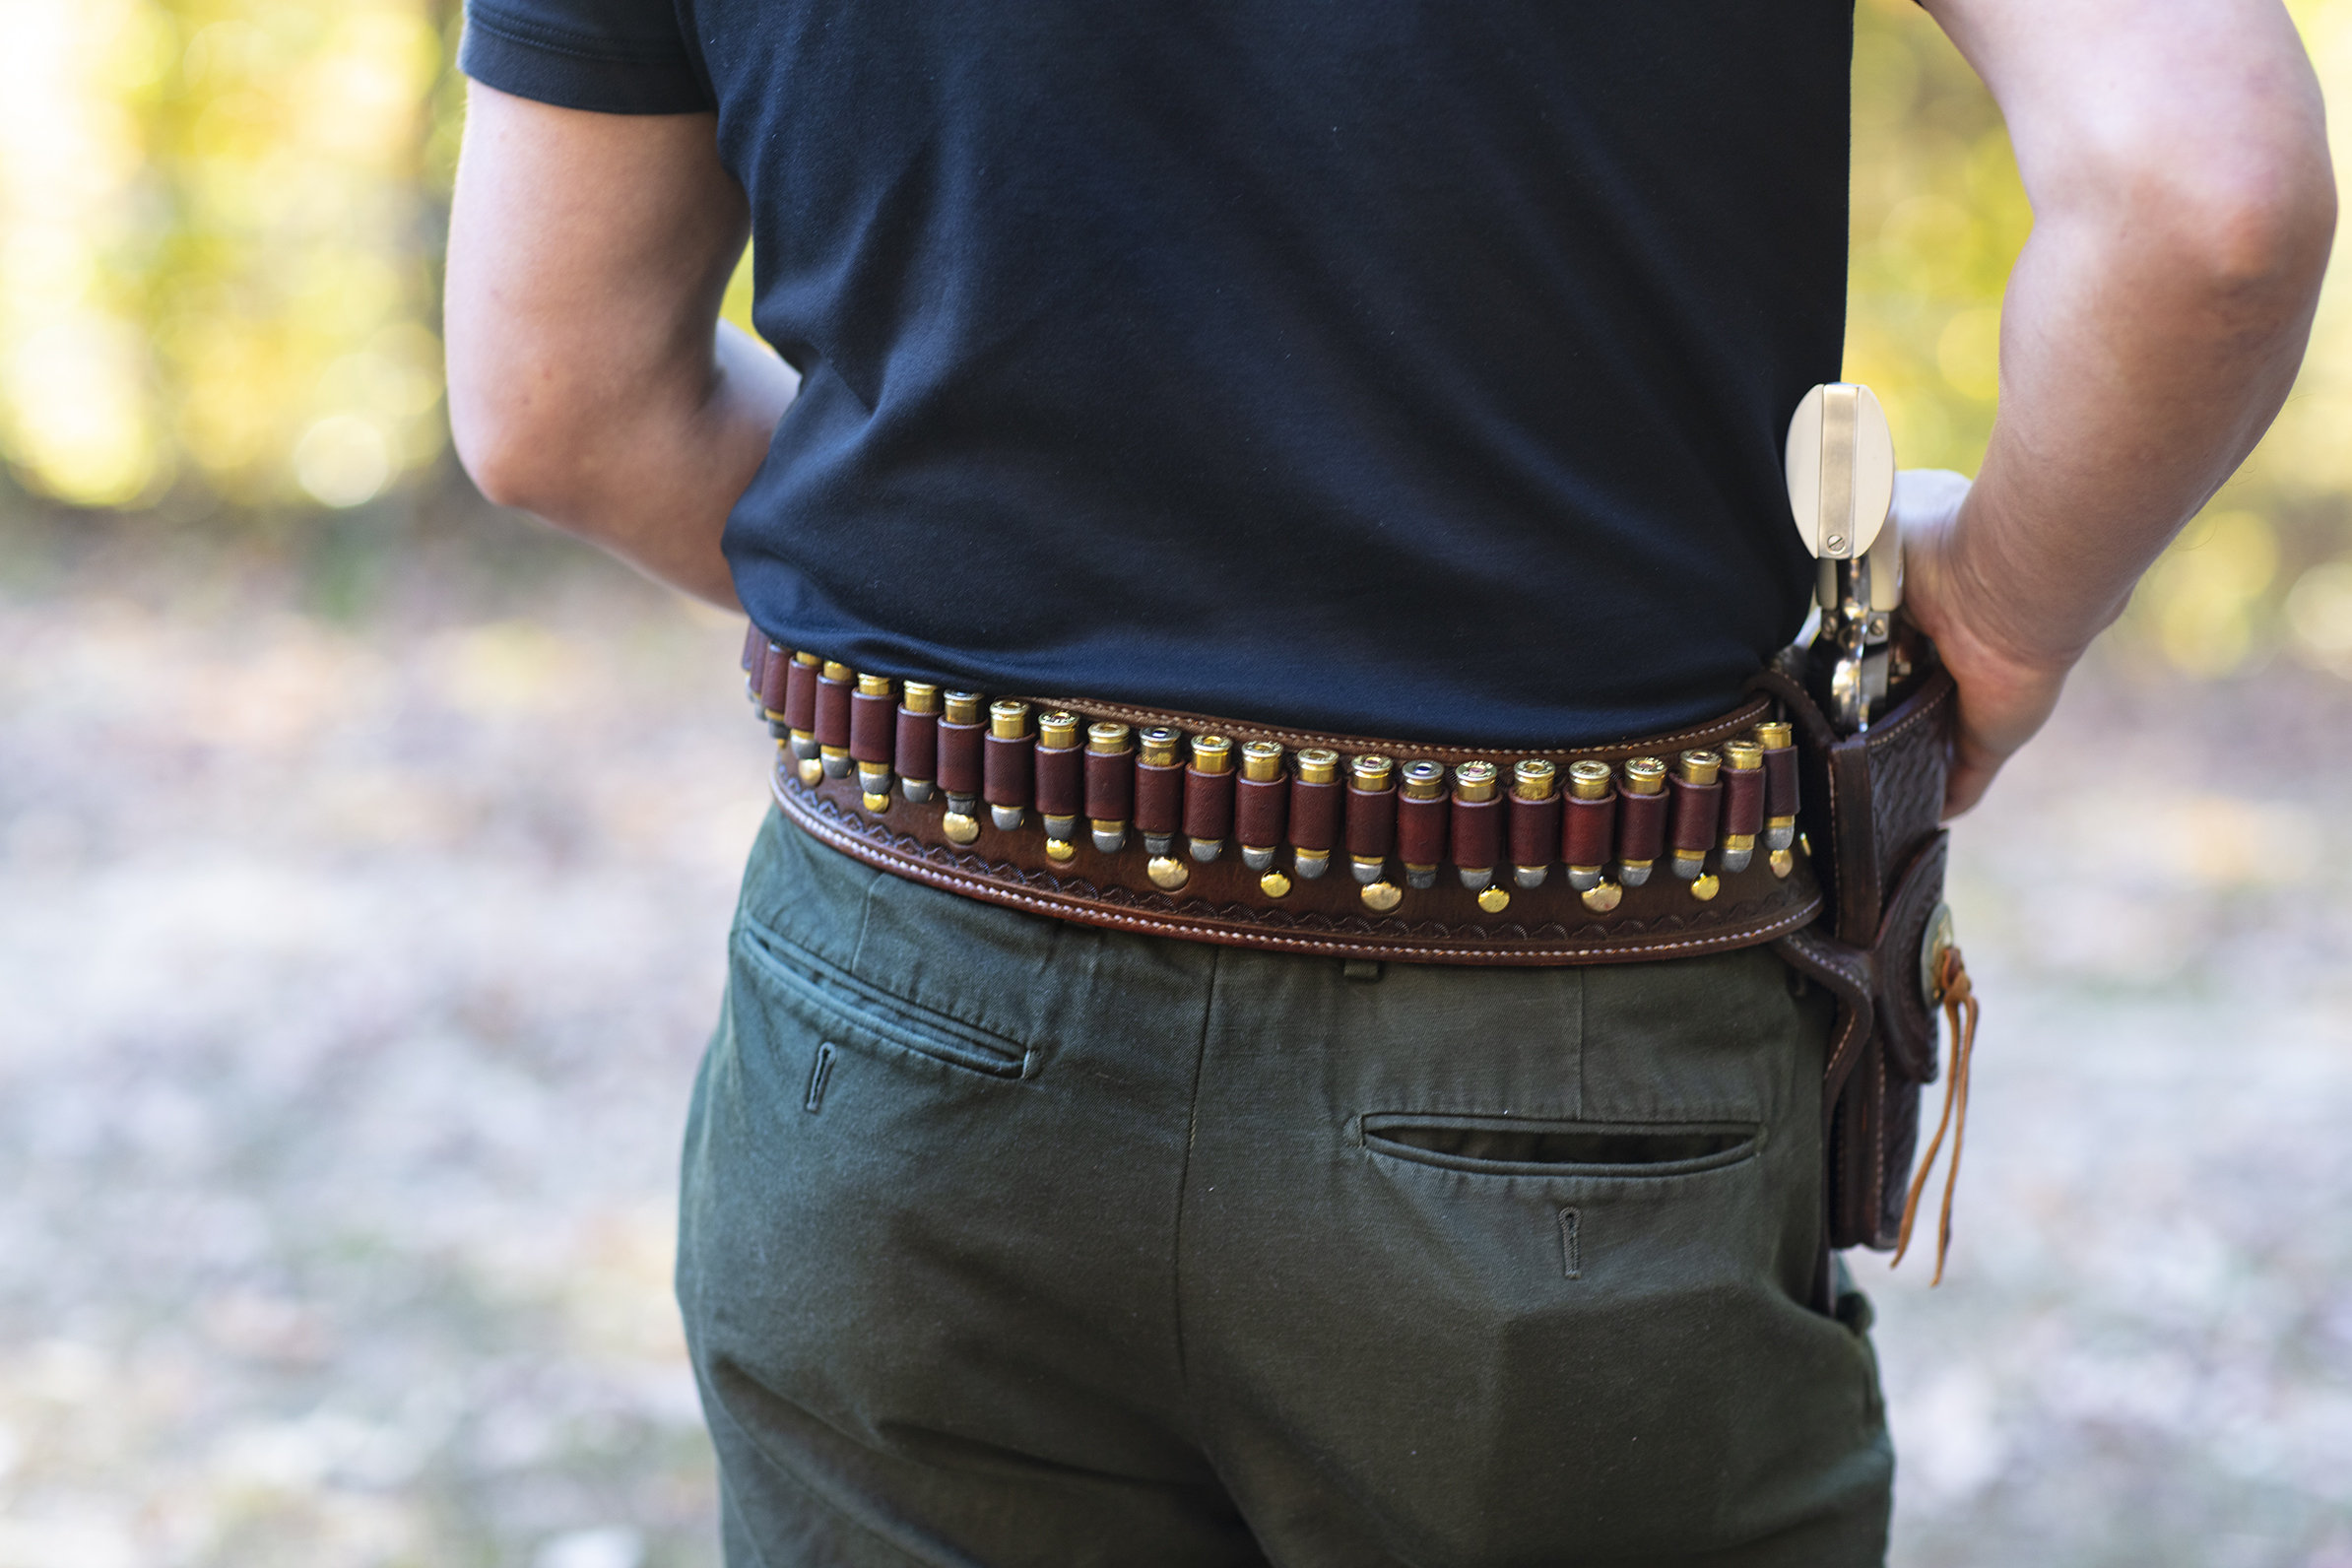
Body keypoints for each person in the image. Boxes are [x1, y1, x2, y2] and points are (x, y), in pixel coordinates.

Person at [443, 0, 2333, 1562]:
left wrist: (999, 647)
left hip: (900, 1050)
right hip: (1572, 1067)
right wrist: (1995, 619)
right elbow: (2205, 198)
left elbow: (556, 397)